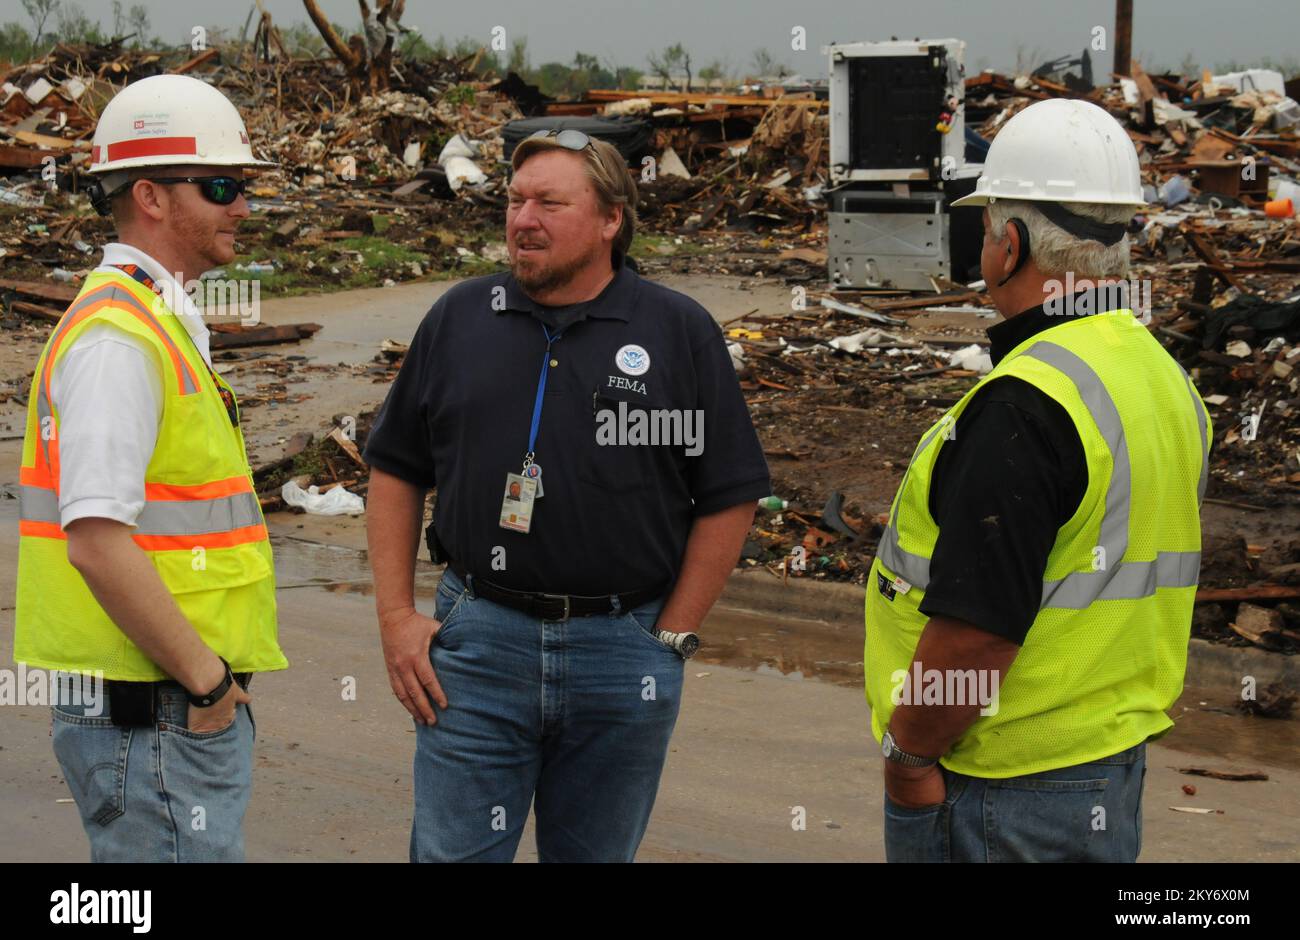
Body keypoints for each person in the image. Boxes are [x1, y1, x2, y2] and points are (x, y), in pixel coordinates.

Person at [364, 129, 770, 862]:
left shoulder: (676, 333)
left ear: (612, 218)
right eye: (516, 200)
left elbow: (728, 493)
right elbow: (394, 467)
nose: (523, 219)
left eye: (551, 202)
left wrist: (669, 639)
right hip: (478, 644)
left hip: (623, 652)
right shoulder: (461, 318)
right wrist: (396, 616)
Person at [864, 98, 1212, 862]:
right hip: (1106, 769)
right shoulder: (1161, 377)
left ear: (1009, 246)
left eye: (986, 228)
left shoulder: (1027, 405)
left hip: (1002, 789)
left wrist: (911, 755)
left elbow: (976, 634)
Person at [13, 74, 286, 862]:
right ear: (153, 196)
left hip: (162, 702)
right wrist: (206, 683)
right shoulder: (118, 340)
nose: (243, 207)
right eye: (223, 185)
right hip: (156, 705)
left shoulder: (154, 318)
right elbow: (96, 539)